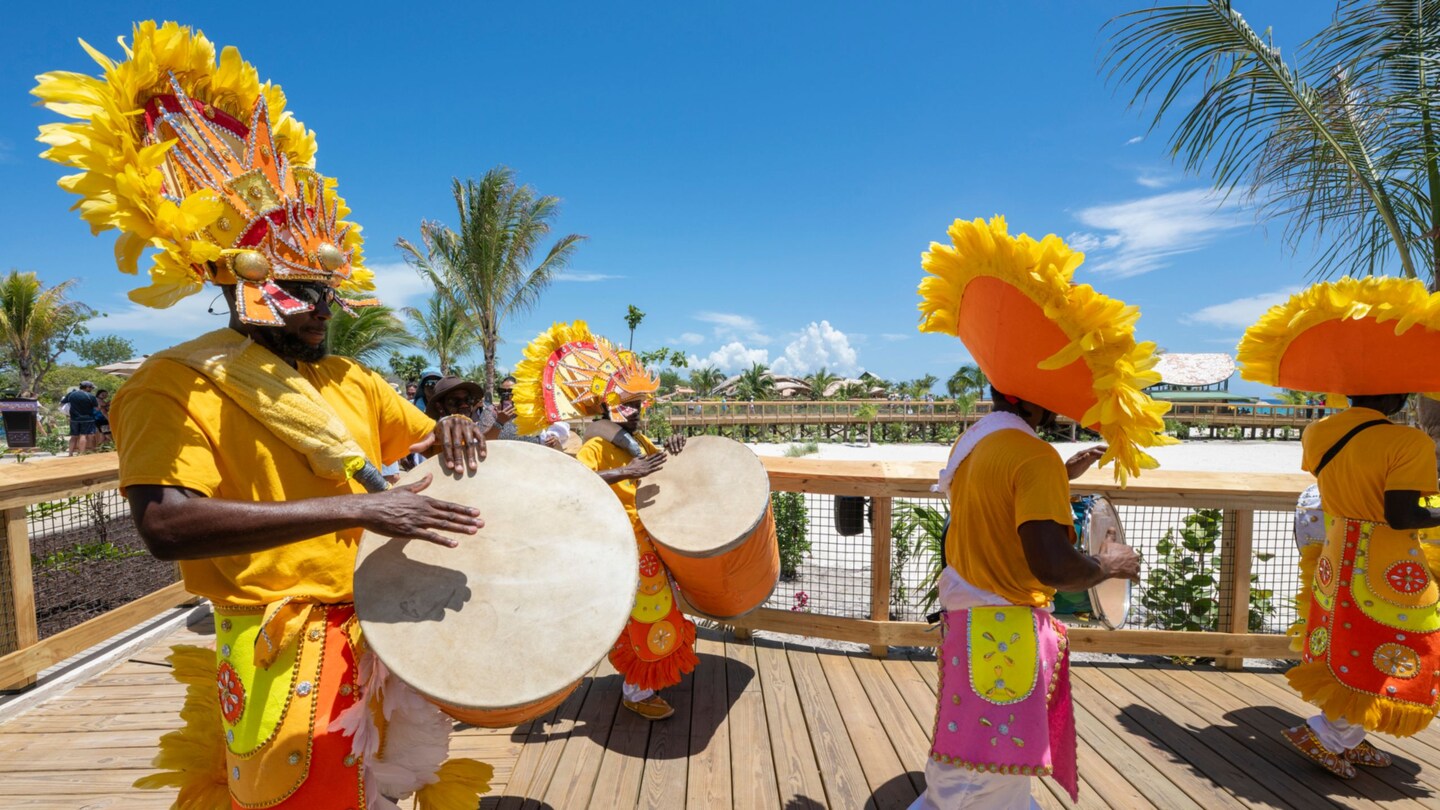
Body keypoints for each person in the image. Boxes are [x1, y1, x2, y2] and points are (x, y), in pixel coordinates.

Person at [36, 21, 494, 807]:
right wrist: (352, 507)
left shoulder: (352, 376)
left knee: (399, 780)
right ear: (236, 287)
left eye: (326, 295)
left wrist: (461, 431)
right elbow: (166, 527)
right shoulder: (171, 384)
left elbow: (426, 454)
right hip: (284, 639)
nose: (320, 313)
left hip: (387, 620)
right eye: (299, 296)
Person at [910, 216, 1172, 808]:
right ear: (1035, 395)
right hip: (1003, 625)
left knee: (962, 753)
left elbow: (989, 498)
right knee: (992, 767)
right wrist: (1108, 563)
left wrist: (1062, 473)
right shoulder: (1031, 458)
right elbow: (1052, 564)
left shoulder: (978, 440)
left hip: (965, 615)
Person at [1237, 277, 1440, 780]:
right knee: (1401, 645)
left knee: (1349, 643)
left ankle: (1348, 733)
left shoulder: (1320, 430)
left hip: (1338, 550)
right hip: (1390, 563)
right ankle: (1327, 733)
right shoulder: (1408, 442)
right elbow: (1403, 514)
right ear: (1395, 391)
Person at [512, 321, 698, 720]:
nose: (634, 413)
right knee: (648, 613)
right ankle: (637, 690)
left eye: (638, 405)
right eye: (627, 405)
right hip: (620, 545)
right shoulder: (598, 444)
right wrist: (626, 473)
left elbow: (659, 466)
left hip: (648, 542)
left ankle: (642, 680)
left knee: (647, 612)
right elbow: (574, 480)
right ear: (605, 407)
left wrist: (675, 450)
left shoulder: (637, 443)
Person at [60, 381, 100, 455]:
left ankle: (70, 453)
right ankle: (82, 453)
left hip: (74, 419)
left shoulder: (71, 394)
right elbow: (97, 408)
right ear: (87, 387)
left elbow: (62, 404)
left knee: (73, 436)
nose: (92, 389)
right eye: (91, 387)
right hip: (87, 419)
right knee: (83, 435)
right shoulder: (90, 396)